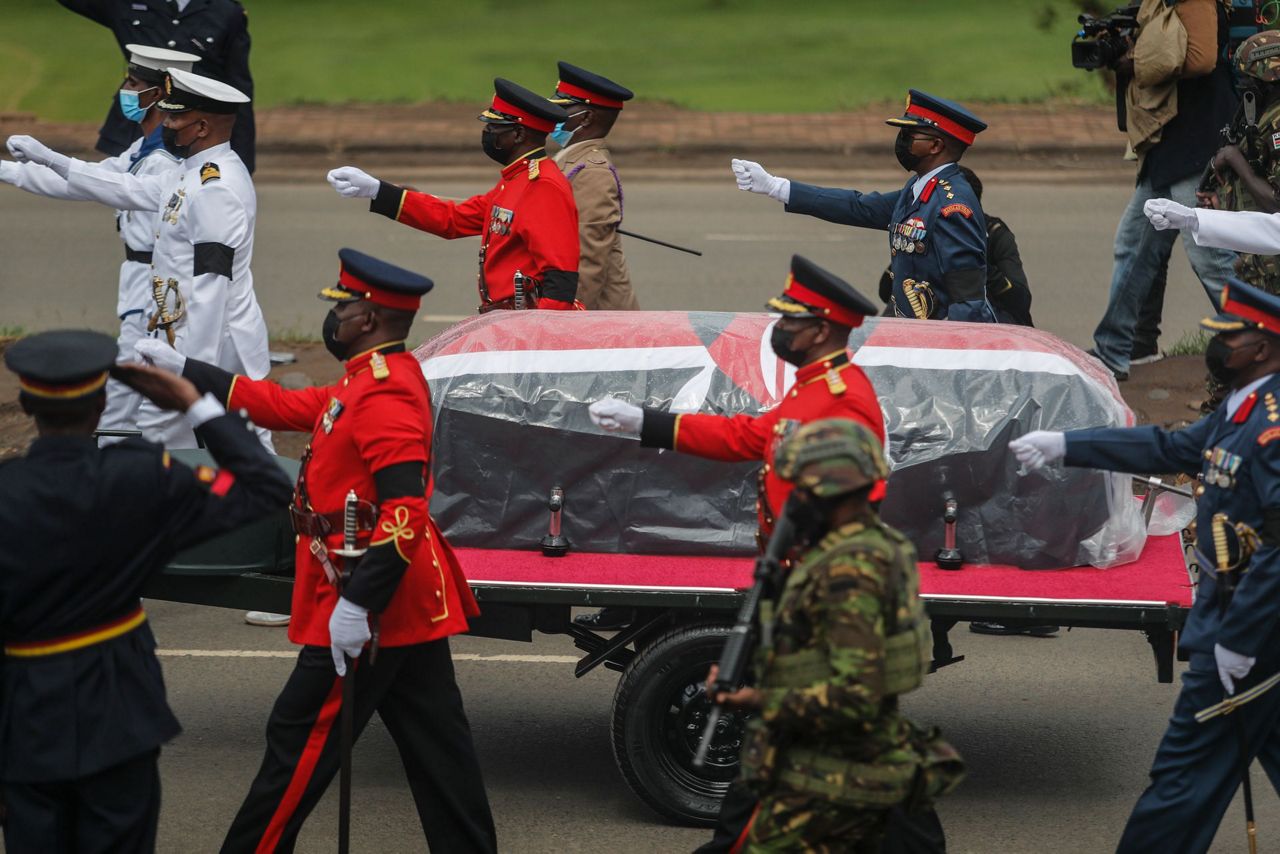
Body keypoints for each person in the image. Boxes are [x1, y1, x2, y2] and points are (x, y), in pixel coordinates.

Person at [138, 249, 497, 853]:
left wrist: (358, 606)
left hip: (370, 596)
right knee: (439, 752)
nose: (334, 317)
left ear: (368, 319)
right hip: (401, 604)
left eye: (342, 307)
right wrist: (189, 369)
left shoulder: (384, 392)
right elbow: (290, 408)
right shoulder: (369, 375)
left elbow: (404, 512)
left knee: (298, 741)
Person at [1010, 279, 1280, 852]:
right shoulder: (1245, 407)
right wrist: (1068, 444)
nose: (1217, 348)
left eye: (1230, 338)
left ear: (1262, 347)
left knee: (1183, 780)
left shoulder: (1272, 425)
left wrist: (1240, 640)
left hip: (1249, 636)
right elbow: (1169, 449)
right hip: (1247, 631)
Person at [0, 330, 292, 853]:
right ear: (100, 404)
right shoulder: (142, 476)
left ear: (26, 405)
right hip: (120, 713)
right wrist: (196, 404)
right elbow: (268, 489)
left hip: (26, 725)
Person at [708, 418, 963, 852]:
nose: (795, 496)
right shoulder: (871, 545)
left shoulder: (850, 571)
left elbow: (852, 696)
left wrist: (755, 699)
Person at [8, 68, 272, 450]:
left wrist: (190, 369)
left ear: (201, 127)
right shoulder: (188, 172)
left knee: (172, 435)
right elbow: (123, 187)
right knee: (235, 438)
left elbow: (212, 285)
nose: (167, 124)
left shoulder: (216, 187)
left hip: (211, 339)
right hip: (184, 332)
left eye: (176, 118)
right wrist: (51, 159)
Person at [0, 44, 198, 442]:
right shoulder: (143, 148)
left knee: (130, 384)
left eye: (133, 84)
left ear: (158, 94)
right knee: (137, 381)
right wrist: (10, 171)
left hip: (155, 282)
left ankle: (112, 457)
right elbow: (86, 180)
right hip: (142, 279)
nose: (124, 91)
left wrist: (49, 158)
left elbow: (103, 185)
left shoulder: (163, 158)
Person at [730, 90, 994, 322]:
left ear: (935, 146)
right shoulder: (920, 188)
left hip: (936, 342)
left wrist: (956, 353)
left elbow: (967, 299)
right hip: (913, 331)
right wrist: (776, 187)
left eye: (910, 134)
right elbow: (859, 207)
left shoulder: (951, 206)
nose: (902, 140)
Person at [327, 79, 581, 312]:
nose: (488, 132)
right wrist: (378, 190)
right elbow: (454, 218)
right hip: (508, 319)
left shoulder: (542, 185)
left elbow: (560, 279)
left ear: (518, 134)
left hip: (528, 324)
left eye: (495, 126)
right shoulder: (516, 179)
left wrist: (541, 336)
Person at [1087, 0, 1238, 381]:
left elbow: (1201, 59)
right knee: (1134, 245)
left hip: (1195, 138)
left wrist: (1136, 63)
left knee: (1210, 256)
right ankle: (1112, 351)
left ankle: (1263, 347)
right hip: (1169, 139)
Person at [56, 0, 256, 172]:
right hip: (136, 121)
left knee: (176, 198)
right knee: (120, 195)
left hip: (187, 126)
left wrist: (242, 159)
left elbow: (238, 88)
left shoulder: (226, 11)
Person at [876, 165, 1033, 325]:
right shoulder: (925, 227)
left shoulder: (994, 232)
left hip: (981, 319)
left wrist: (974, 264)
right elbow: (884, 290)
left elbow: (1020, 301)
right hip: (926, 314)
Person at [548, 61, 640, 310]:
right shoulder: (571, 159)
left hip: (598, 321)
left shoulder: (591, 172)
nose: (553, 116)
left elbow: (586, 263)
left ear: (586, 117)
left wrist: (560, 322)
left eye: (562, 109)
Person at [1195, 29, 1280, 295]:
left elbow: (1276, 203)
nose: (1241, 86)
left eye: (1246, 79)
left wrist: (1234, 158)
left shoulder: (1276, 124)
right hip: (1260, 265)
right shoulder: (1263, 117)